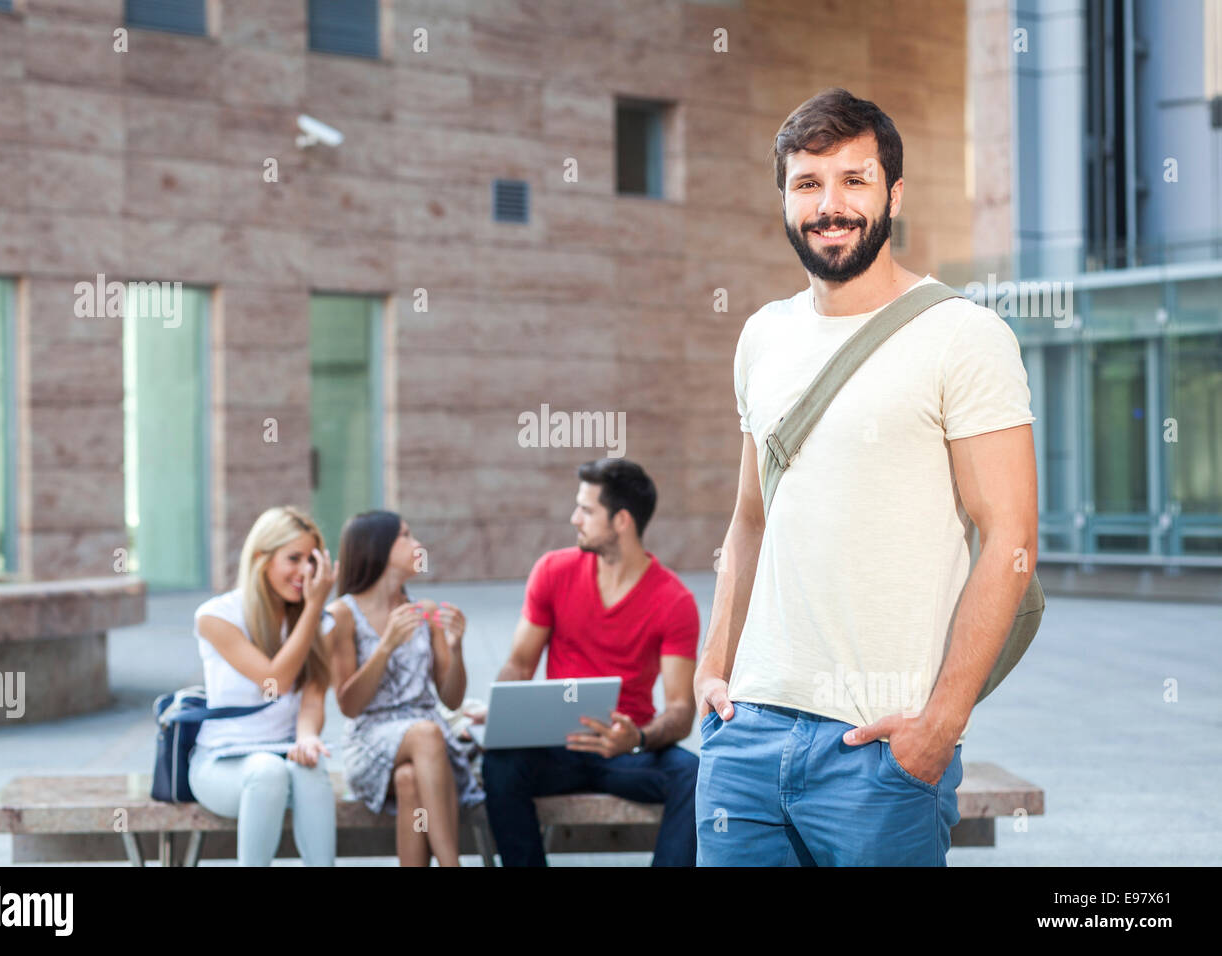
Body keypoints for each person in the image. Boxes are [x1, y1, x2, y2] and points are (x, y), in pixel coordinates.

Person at [694, 88, 1039, 866]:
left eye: (855, 179)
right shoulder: (764, 335)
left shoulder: (963, 336)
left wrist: (939, 726)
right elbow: (750, 519)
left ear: (894, 194)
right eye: (808, 183)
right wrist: (714, 669)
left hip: (879, 753)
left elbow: (1011, 538)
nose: (830, 204)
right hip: (745, 741)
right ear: (783, 199)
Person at [483, 458, 701, 867]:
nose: (574, 518)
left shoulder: (675, 601)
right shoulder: (553, 571)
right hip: (555, 748)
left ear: (621, 520)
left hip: (626, 753)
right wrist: (503, 715)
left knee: (694, 776)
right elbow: (518, 664)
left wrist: (636, 737)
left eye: (586, 510)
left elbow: (680, 710)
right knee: (499, 764)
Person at [325, 510, 484, 867]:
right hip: (370, 740)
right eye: (406, 536)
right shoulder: (342, 615)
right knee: (426, 734)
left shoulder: (425, 612)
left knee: (410, 780)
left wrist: (457, 649)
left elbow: (452, 698)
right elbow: (349, 706)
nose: (418, 545)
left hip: (430, 753)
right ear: (377, 548)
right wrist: (386, 647)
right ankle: (451, 864)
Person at [188, 505, 339, 867]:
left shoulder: (322, 623)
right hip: (222, 764)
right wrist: (314, 609)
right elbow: (276, 681)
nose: (305, 571)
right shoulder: (216, 616)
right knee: (266, 771)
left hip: (283, 755)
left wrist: (306, 737)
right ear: (261, 558)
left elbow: (312, 700)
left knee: (312, 767)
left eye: (312, 560)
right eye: (293, 558)